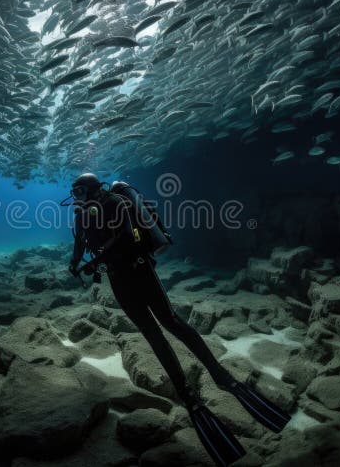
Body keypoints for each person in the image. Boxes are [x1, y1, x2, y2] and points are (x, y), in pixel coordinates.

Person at [64, 173, 290, 466]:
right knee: (151, 334)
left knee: (172, 322)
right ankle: (187, 394)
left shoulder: (116, 203)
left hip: (140, 269)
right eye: (74, 192)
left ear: (94, 189)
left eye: (81, 191)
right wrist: (74, 261)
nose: (77, 197)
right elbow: (81, 241)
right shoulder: (83, 215)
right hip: (118, 279)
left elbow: (126, 235)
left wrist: (95, 260)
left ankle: (219, 375)